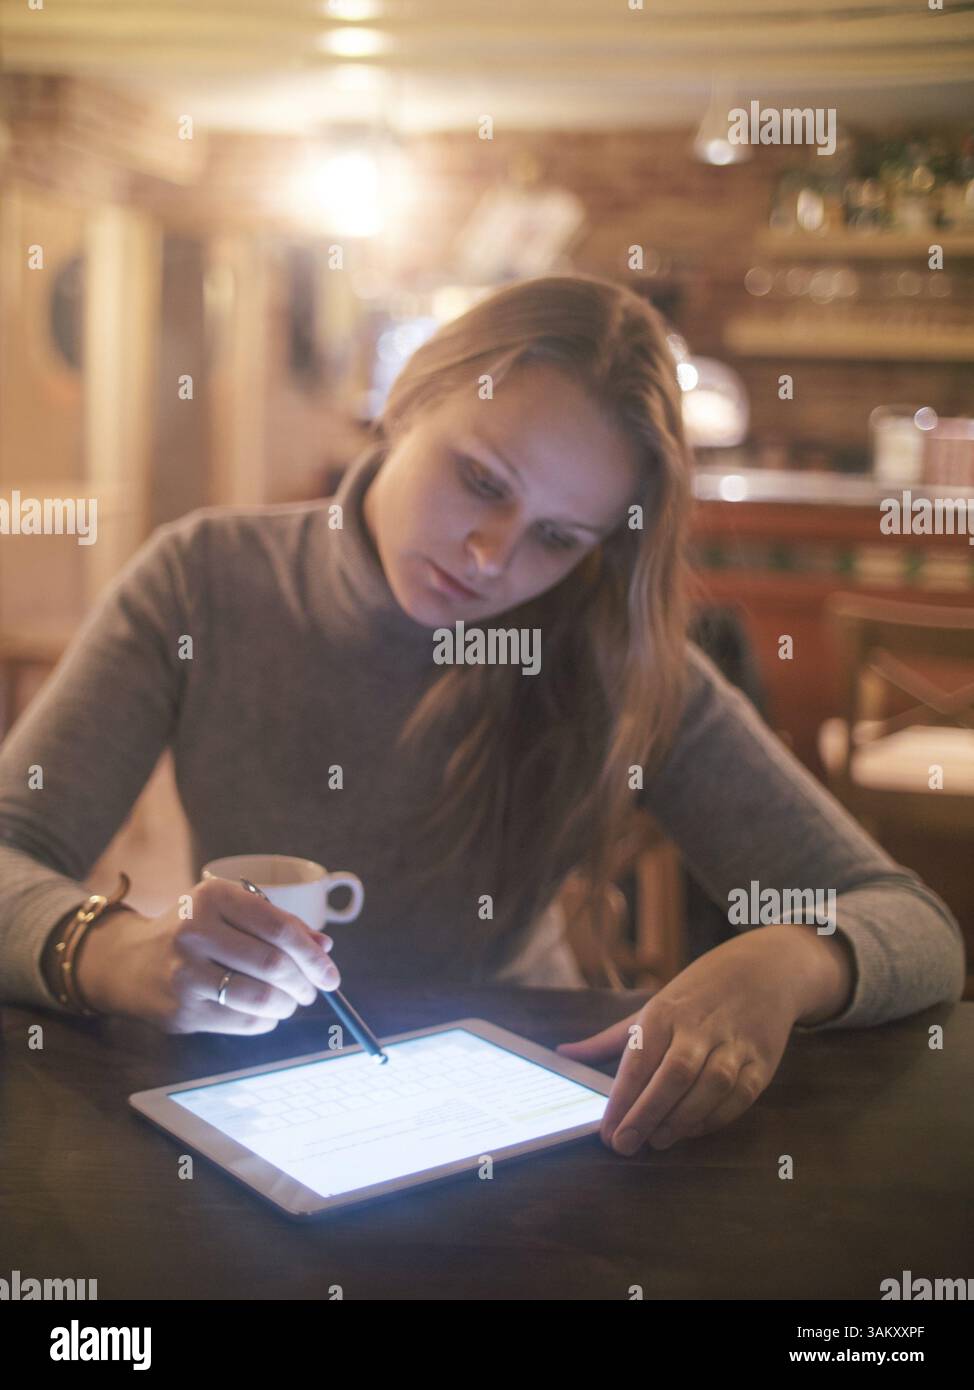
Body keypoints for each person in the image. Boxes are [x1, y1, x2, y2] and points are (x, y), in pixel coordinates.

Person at [0, 273, 964, 1159]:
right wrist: (122, 954)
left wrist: (787, 962)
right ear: (411, 396)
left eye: (555, 536)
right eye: (482, 480)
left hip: (508, 1098)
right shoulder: (202, 581)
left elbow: (915, 927)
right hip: (245, 1085)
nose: (494, 557)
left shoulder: (605, 651)